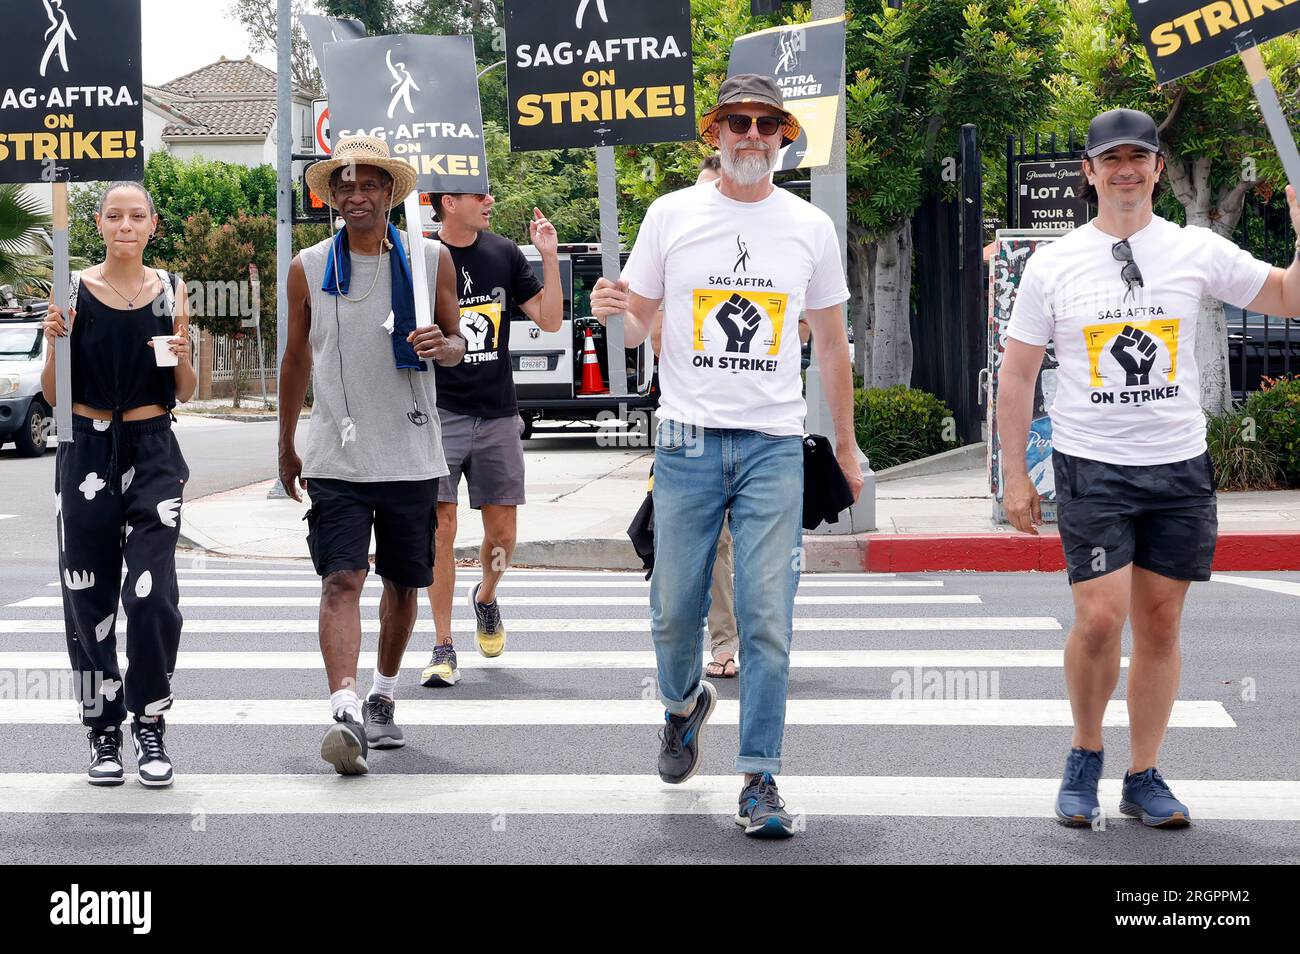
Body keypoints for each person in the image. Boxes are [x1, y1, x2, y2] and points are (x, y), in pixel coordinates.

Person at [999, 108, 1300, 828]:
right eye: (1112, 159)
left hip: (1177, 469)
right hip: (1092, 468)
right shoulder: (1054, 262)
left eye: (1140, 156)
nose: (1126, 169)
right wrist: (1016, 474)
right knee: (1101, 619)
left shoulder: (1195, 250)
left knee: (1160, 626)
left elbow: (1290, 298)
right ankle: (1084, 753)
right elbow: (1016, 376)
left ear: (1158, 169)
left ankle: (1144, 774)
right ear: (1090, 172)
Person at [591, 74, 864, 838]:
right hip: (684, 439)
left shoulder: (810, 226)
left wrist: (845, 446)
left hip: (774, 444)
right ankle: (683, 705)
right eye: (736, 122)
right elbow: (641, 327)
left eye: (765, 123)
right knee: (674, 611)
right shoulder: (671, 214)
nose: (750, 134)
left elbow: (834, 347)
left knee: (765, 617)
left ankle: (760, 777)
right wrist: (615, 311)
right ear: (714, 134)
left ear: (783, 136)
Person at [278, 136, 465, 775]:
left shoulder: (430, 257)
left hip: (412, 452)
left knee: (404, 582)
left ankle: (384, 692)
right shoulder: (307, 266)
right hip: (337, 457)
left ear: (390, 193)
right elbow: (296, 359)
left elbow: (459, 343)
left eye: (369, 185)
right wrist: (286, 443)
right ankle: (343, 708)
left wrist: (444, 345)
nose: (356, 196)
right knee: (341, 579)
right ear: (330, 196)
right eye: (344, 186)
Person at [41, 181, 195, 788]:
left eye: (136, 216)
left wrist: (184, 350)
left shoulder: (173, 290)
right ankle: (102, 730)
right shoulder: (72, 291)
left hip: (154, 447)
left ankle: (149, 721)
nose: (125, 225)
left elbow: (185, 390)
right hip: (85, 448)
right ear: (99, 225)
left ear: (153, 224)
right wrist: (56, 342)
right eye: (114, 216)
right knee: (89, 595)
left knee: (151, 594)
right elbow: (54, 396)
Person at [415, 191, 562, 687]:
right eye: (479, 194)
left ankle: (486, 597)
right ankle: (442, 644)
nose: (490, 199)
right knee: (442, 527)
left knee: (502, 536)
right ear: (448, 203)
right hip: (439, 412)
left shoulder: (502, 252)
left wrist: (547, 255)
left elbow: (549, 318)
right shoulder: (422, 256)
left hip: (497, 412)